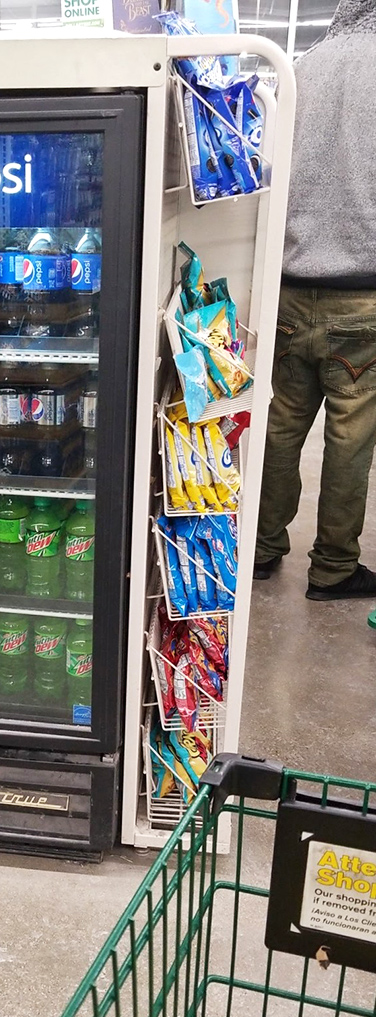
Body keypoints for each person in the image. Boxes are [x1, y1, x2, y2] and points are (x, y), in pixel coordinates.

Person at [254, 0, 376, 600]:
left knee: (280, 426)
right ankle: (332, 569)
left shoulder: (297, 66)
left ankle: (259, 547)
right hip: (364, 297)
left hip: (288, 287)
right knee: (350, 438)